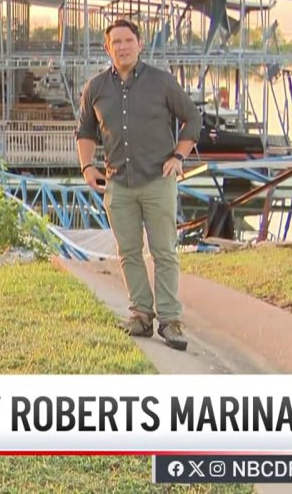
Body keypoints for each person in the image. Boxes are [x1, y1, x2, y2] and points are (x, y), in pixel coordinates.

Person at [74, 20, 201, 351]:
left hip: (158, 180)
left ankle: (170, 321)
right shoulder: (96, 88)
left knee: (164, 252)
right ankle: (141, 315)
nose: (123, 46)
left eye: (128, 40)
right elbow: (85, 132)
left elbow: (193, 118)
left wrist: (179, 155)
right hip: (118, 183)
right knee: (128, 252)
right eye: (116, 42)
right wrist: (87, 167)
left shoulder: (162, 82)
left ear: (140, 44)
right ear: (107, 48)